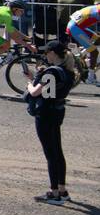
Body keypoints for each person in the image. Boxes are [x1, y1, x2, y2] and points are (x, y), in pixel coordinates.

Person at [25, 41, 74, 204]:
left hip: (45, 114)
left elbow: (35, 92)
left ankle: (54, 193)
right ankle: (62, 189)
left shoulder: (51, 72)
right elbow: (50, 91)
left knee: (50, 154)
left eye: (47, 53)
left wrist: (29, 83)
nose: (46, 56)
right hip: (58, 111)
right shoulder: (68, 71)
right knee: (58, 152)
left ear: (53, 53)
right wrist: (36, 78)